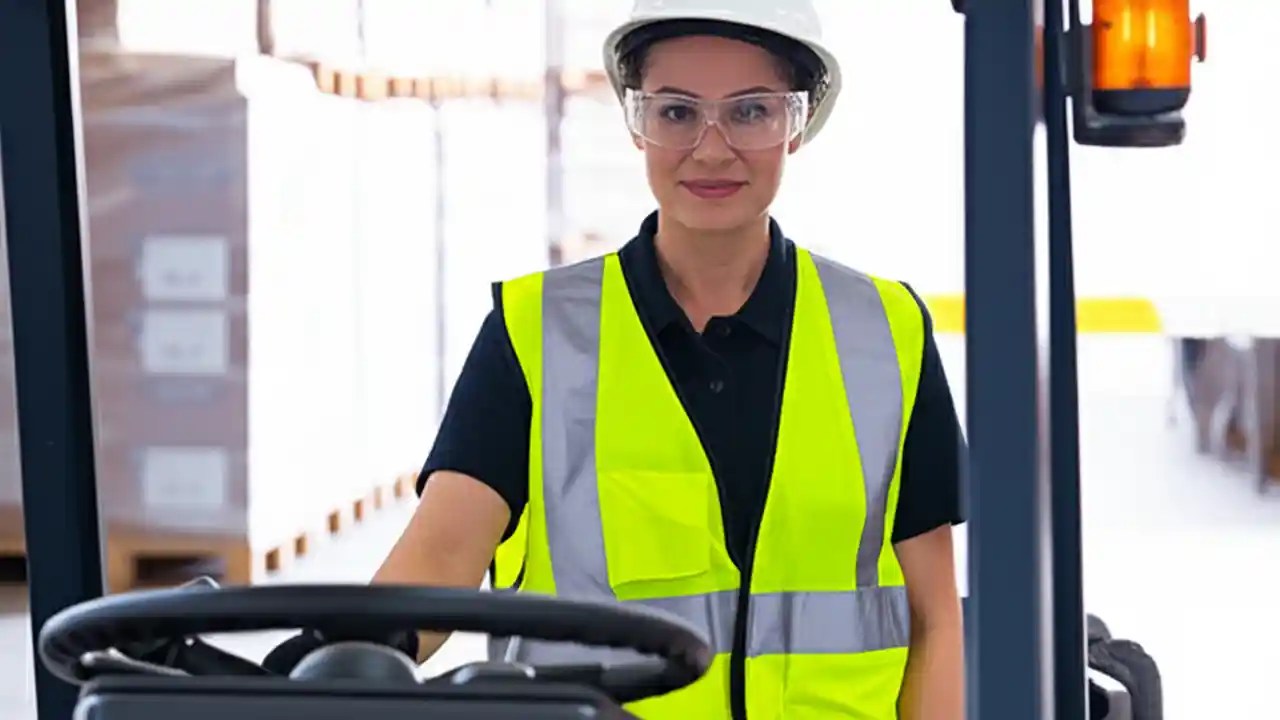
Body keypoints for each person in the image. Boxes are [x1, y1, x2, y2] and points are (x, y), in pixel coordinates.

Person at [374, 1, 967, 717]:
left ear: (798, 123)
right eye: (678, 112)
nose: (711, 149)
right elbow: (439, 558)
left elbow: (935, 621)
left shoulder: (886, 332)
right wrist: (345, 659)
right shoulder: (535, 335)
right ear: (636, 122)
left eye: (750, 112)